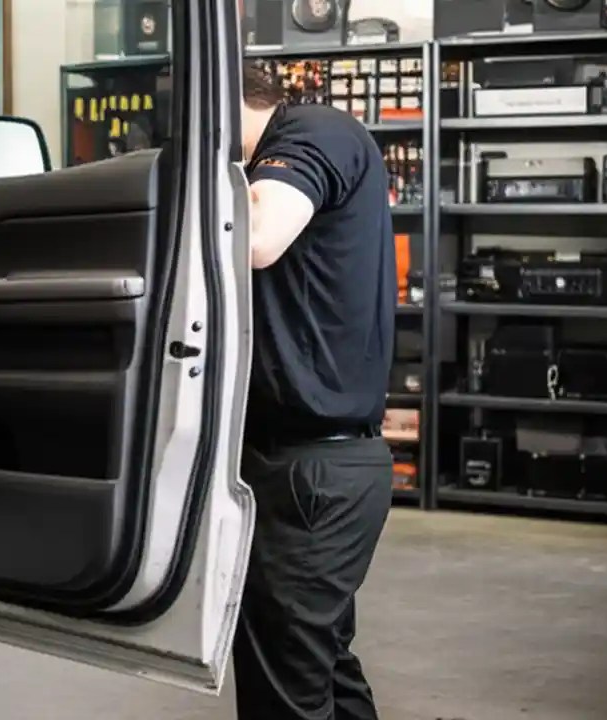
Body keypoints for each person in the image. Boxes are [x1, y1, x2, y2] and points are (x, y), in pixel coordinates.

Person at [233, 61, 396, 720]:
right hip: (312, 467)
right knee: (323, 666)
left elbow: (260, 238)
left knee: (285, 694)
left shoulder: (312, 131)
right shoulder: (281, 152)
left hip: (311, 474)